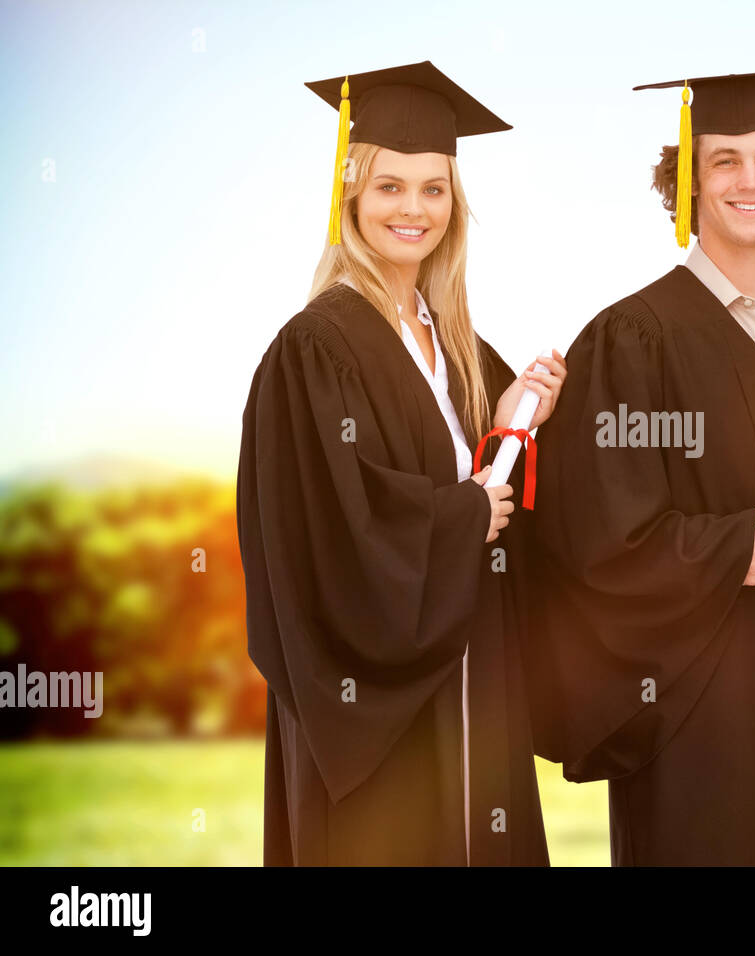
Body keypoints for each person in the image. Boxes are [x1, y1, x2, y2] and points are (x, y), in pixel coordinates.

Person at [528, 70, 755, 865]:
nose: (750, 181)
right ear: (687, 183)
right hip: (694, 731)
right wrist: (730, 548)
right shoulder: (630, 340)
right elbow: (593, 542)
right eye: (724, 161)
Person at [236, 60, 565, 865]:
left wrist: (515, 418)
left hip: (473, 679)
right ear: (350, 197)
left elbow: (496, 490)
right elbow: (333, 533)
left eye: (433, 189)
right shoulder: (316, 348)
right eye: (389, 187)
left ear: (455, 207)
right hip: (377, 711)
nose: (412, 209)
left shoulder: (460, 348)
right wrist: (465, 516)